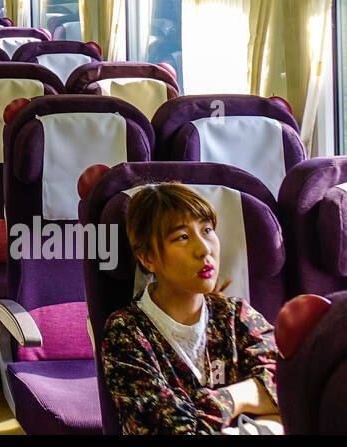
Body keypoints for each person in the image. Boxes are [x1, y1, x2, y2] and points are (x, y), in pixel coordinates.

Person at [101, 182, 280, 434]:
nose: (204, 249)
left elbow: (289, 385)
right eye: (182, 237)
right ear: (147, 258)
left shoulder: (234, 315)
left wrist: (226, 399)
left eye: (207, 230)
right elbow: (166, 428)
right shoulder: (127, 332)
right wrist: (256, 415)